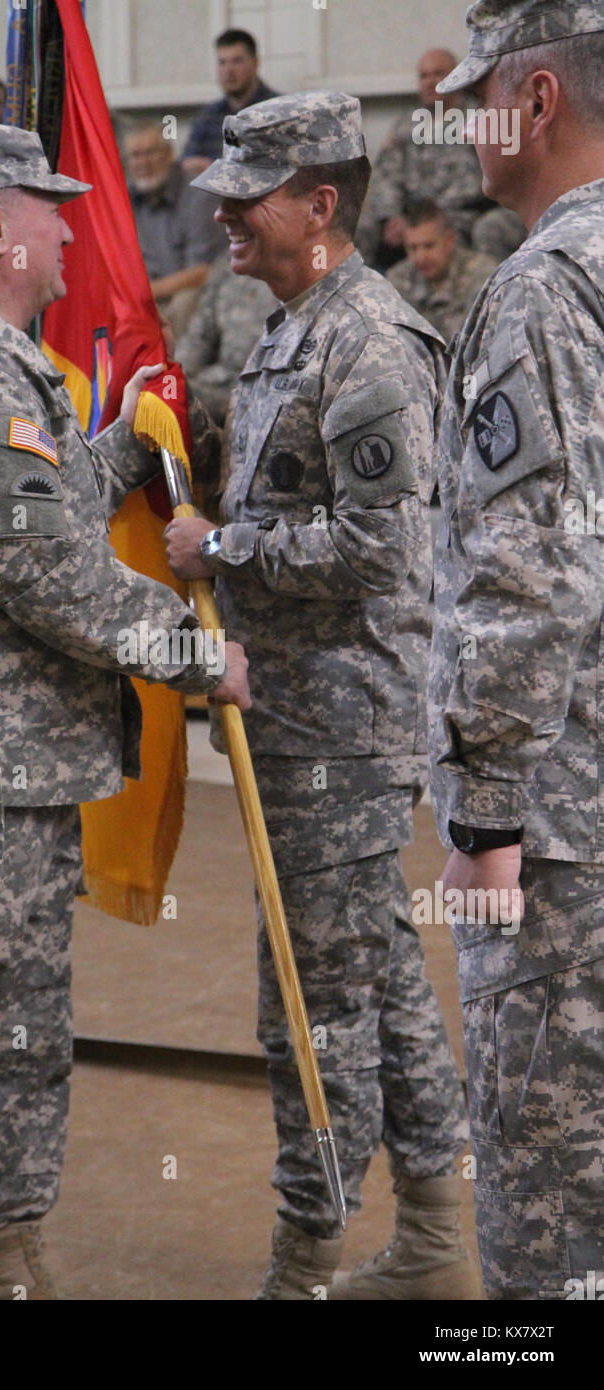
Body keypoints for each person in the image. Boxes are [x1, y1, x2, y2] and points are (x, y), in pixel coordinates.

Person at [0, 123, 251, 1300]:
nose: (71, 226)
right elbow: (46, 577)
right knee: (1, 1045)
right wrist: (197, 653)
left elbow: (32, 521)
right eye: (48, 206)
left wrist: (124, 445)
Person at [165, 92, 474, 1301]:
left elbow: (381, 552)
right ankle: (439, 1246)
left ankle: (305, 1264)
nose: (226, 212)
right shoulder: (294, 322)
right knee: (382, 990)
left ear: (322, 202)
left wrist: (220, 554)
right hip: (297, 720)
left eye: (252, 194)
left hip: (341, 728)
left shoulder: (369, 341)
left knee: (309, 1009)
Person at [428, 0, 604, 1301]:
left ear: (534, 100)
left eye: (477, 90)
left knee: (550, 1225)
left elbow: (519, 580)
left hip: (565, 835)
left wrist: (482, 808)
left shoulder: (542, 291)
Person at [356, 49, 486, 270]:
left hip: (457, 214)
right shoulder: (406, 125)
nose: (430, 82)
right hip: (406, 219)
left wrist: (424, 221)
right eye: (424, 76)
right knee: (362, 228)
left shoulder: (478, 119)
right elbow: (385, 176)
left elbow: (475, 182)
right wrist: (393, 216)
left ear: (458, 75)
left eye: (438, 74)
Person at [124, 122, 226, 337]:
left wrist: (144, 293)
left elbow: (203, 273)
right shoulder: (124, 199)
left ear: (169, 154)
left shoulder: (199, 194)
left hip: (192, 294)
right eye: (135, 155)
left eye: (150, 153)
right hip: (145, 297)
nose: (143, 163)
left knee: (185, 302)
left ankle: (177, 368)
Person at [177, 252, 278, 430]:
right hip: (219, 380)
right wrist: (173, 375)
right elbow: (199, 336)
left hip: (268, 385)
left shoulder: (296, 263)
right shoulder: (227, 263)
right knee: (158, 397)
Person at [387, 200, 497, 344]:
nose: (420, 257)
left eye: (429, 246)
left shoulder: (482, 274)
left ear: (449, 240)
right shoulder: (397, 279)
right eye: (412, 248)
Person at [181, 28, 278, 176]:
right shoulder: (207, 116)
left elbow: (277, 169)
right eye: (222, 63)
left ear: (255, 64)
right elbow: (186, 165)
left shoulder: (277, 111)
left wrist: (213, 168)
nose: (228, 71)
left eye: (236, 61)